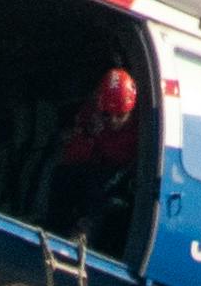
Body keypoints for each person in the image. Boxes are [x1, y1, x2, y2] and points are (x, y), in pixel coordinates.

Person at [42, 55, 144, 253]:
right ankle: (52, 230)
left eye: (120, 115)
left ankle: (88, 238)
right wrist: (89, 136)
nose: (113, 120)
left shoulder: (141, 128)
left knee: (112, 204)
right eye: (108, 115)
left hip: (123, 180)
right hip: (95, 169)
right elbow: (72, 155)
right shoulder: (91, 116)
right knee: (63, 177)